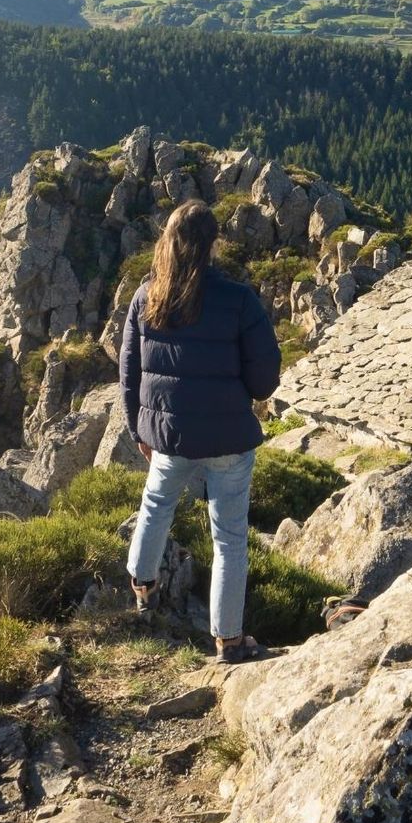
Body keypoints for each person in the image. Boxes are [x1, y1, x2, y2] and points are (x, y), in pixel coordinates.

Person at [120, 199, 281, 663]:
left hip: (169, 436)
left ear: (167, 242)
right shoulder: (238, 300)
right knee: (228, 537)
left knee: (156, 505)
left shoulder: (146, 297)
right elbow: (265, 377)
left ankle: (142, 587)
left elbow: (129, 372)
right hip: (229, 438)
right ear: (213, 244)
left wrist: (140, 430)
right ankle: (229, 641)